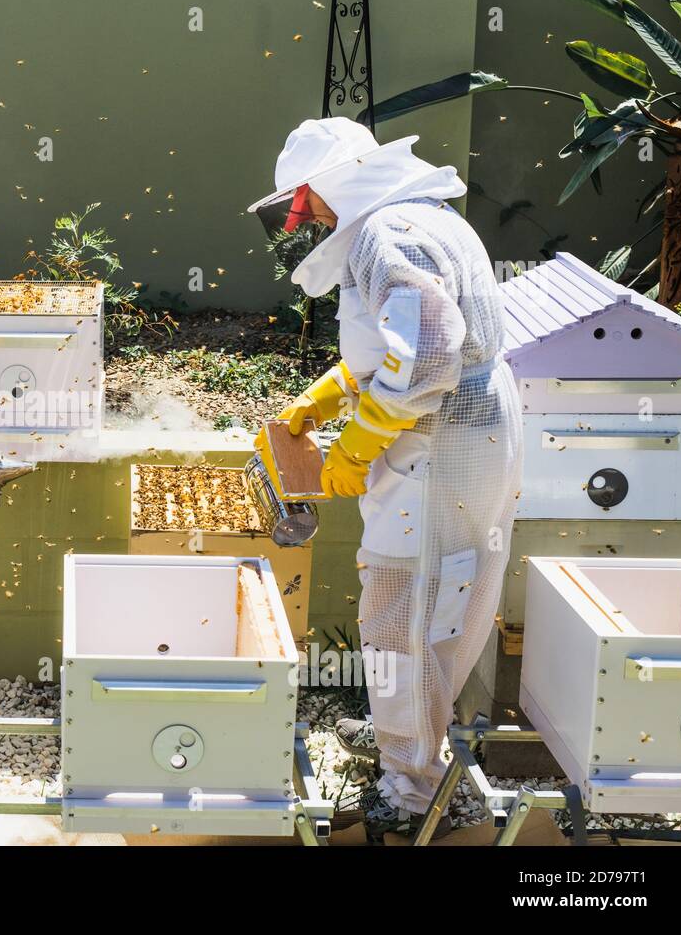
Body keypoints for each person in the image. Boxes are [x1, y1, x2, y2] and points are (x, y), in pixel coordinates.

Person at [249, 118, 522, 836]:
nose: (304, 218)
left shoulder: (385, 233)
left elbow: (428, 355)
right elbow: (403, 341)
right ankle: (411, 736)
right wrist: (332, 393)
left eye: (305, 201)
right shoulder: (407, 220)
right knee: (426, 601)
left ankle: (411, 789)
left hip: (442, 442)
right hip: (455, 430)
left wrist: (358, 445)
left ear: (333, 184)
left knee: (402, 611)